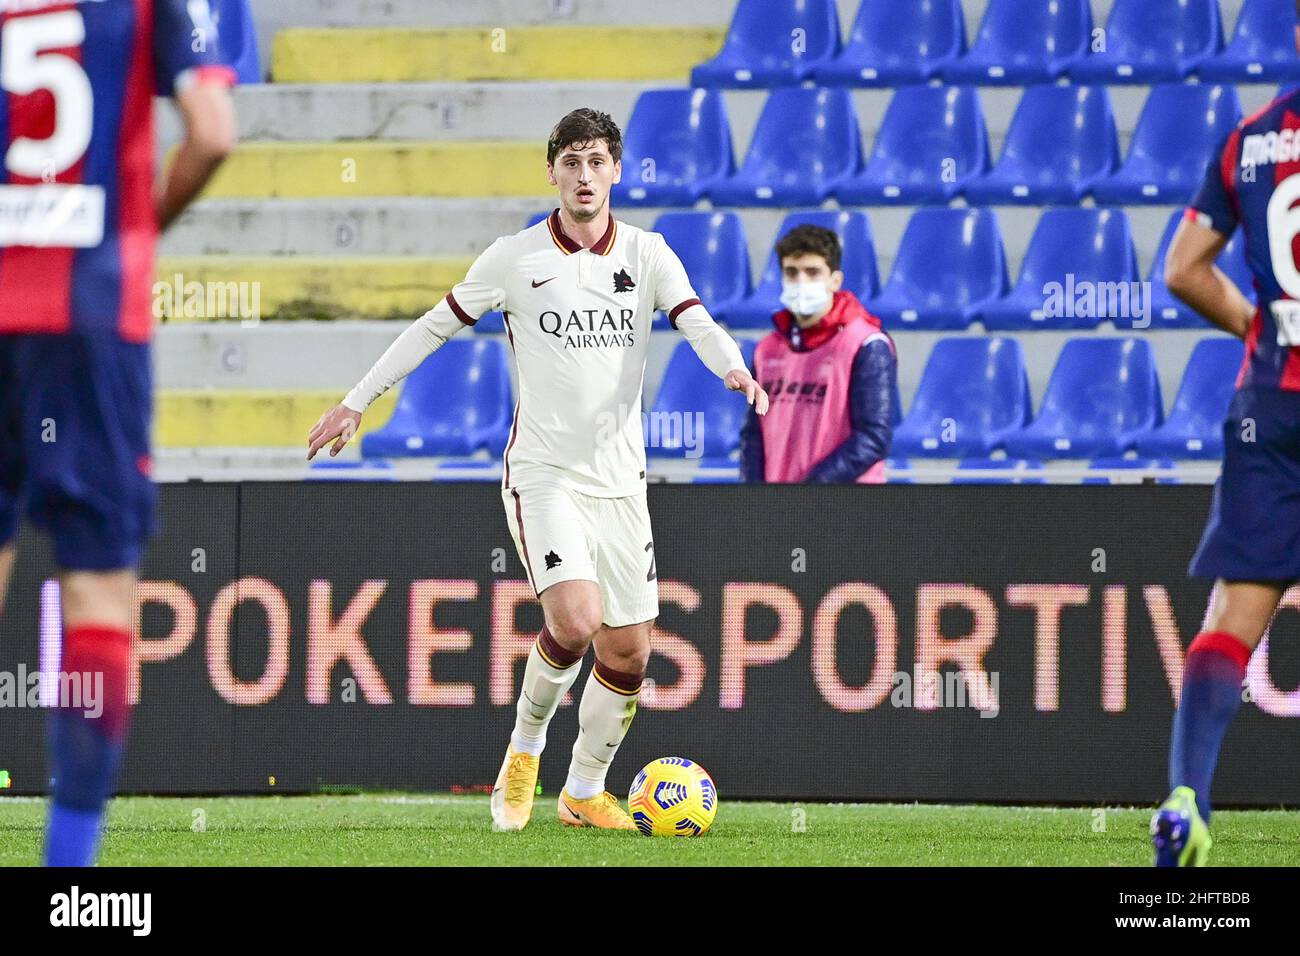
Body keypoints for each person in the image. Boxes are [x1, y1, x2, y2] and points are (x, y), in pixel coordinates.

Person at [308, 108, 767, 831]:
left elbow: (695, 321)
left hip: (621, 484)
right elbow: (434, 325)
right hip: (544, 474)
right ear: (551, 170)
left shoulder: (648, 254)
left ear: (617, 170)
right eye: (571, 162)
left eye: (597, 162)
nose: (585, 176)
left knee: (629, 649)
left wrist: (734, 370)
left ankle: (583, 791)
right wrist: (356, 402)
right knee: (578, 620)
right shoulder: (514, 258)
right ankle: (523, 753)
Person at [0, 0, 236, 865]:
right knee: (97, 596)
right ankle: (68, 875)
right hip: (89, 315)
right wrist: (140, 229)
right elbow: (211, 132)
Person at [1156, 0, 1300, 867]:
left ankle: (1187, 798)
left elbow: (1182, 270)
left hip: (1270, 409)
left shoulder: (1248, 139)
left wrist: (1259, 324)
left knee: (1235, 616)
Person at [740, 225, 895, 484]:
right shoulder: (766, 349)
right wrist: (754, 498)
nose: (801, 281)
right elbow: (753, 435)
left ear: (835, 280)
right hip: (779, 507)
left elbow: (873, 437)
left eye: (813, 272)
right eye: (791, 272)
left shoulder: (867, 344)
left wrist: (813, 490)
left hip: (844, 507)